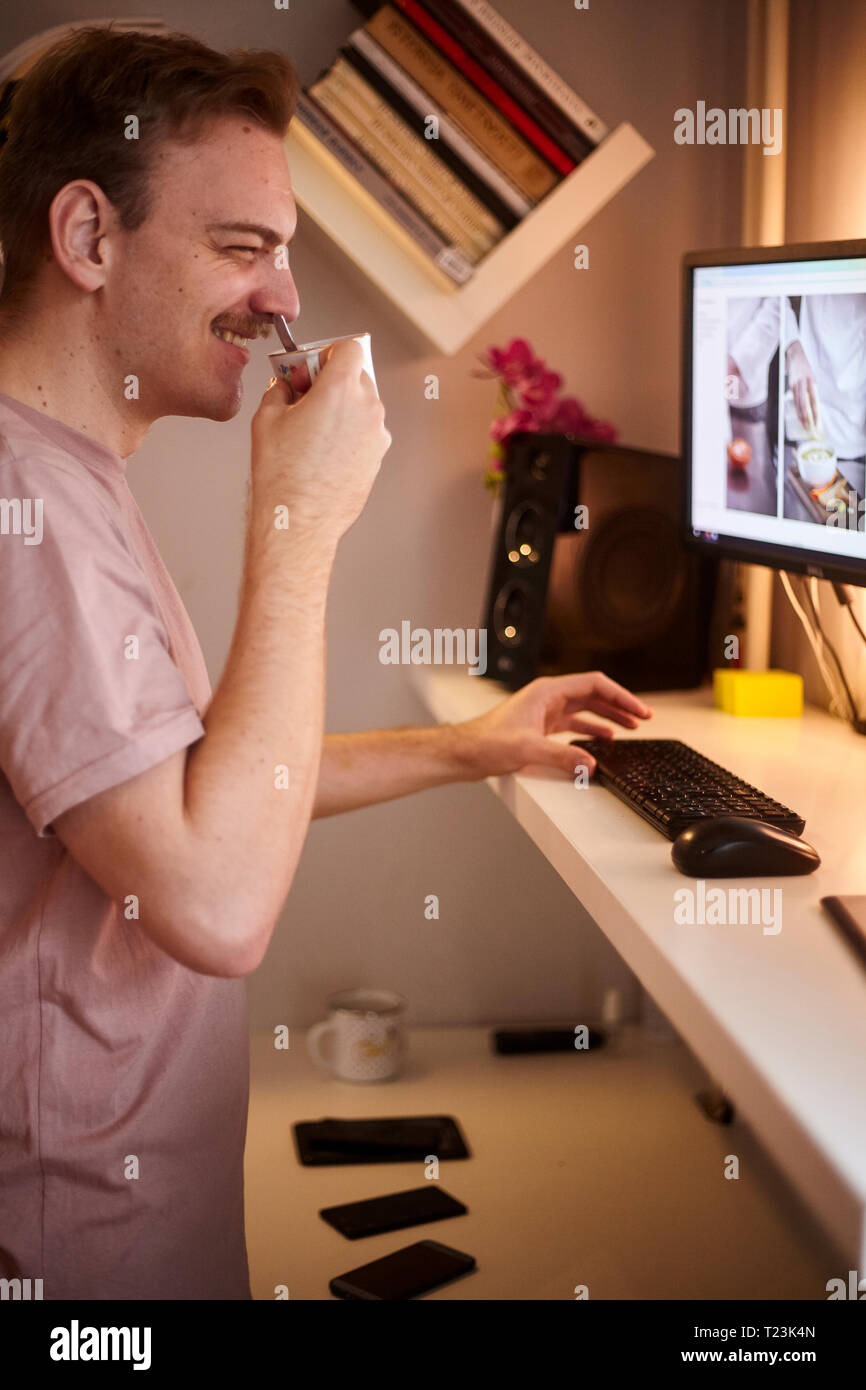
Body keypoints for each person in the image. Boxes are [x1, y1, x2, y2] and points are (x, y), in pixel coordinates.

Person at [0, 27, 651, 1299]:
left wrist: (472, 745)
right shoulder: (27, 511)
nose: (285, 297)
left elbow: (194, 795)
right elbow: (217, 902)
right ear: (86, 238)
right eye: (243, 247)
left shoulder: (63, 477)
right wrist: (297, 525)